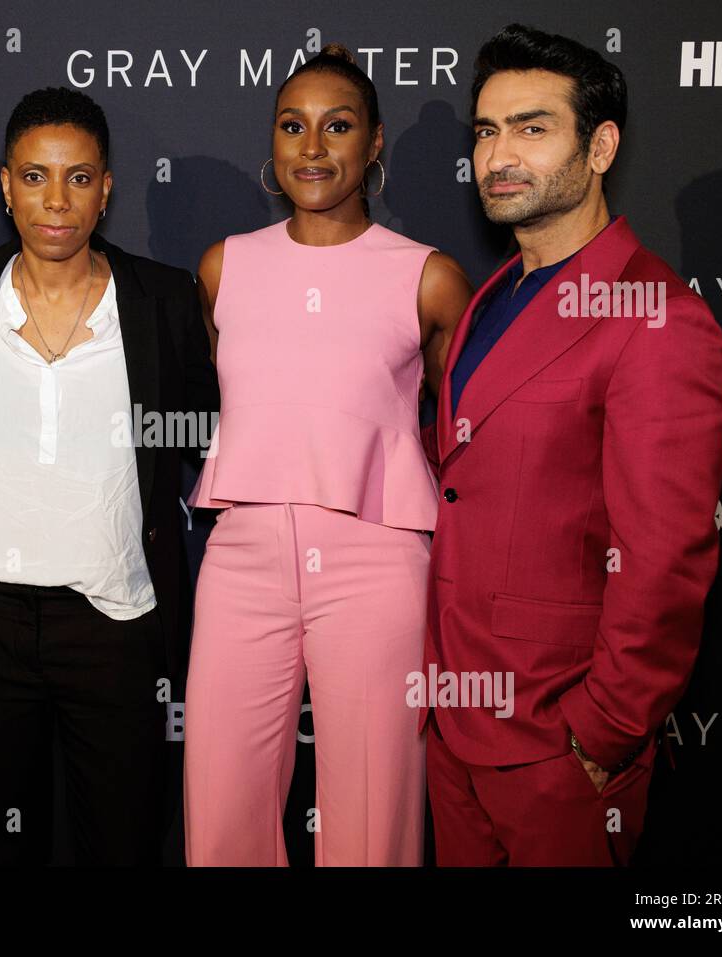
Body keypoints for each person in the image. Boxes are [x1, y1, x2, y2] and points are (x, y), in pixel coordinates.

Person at [421, 23, 722, 866]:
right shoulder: (491, 295)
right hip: (453, 721)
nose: (499, 155)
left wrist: (605, 732)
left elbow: (666, 556)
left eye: (532, 127)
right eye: (487, 131)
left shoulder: (658, 319)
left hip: (559, 744)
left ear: (600, 147)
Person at [0, 86, 219, 865]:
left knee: (121, 843)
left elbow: (213, 434)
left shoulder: (163, 300)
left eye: (79, 178)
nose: (57, 200)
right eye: (36, 177)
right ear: (7, 186)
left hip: (114, 623)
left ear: (107, 187)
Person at [182, 44, 472, 866]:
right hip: (242, 554)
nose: (313, 148)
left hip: (375, 558)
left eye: (337, 126)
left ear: (374, 142)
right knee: (220, 805)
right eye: (292, 126)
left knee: (375, 815)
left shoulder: (428, 277)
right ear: (272, 145)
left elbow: (459, 429)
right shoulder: (224, 265)